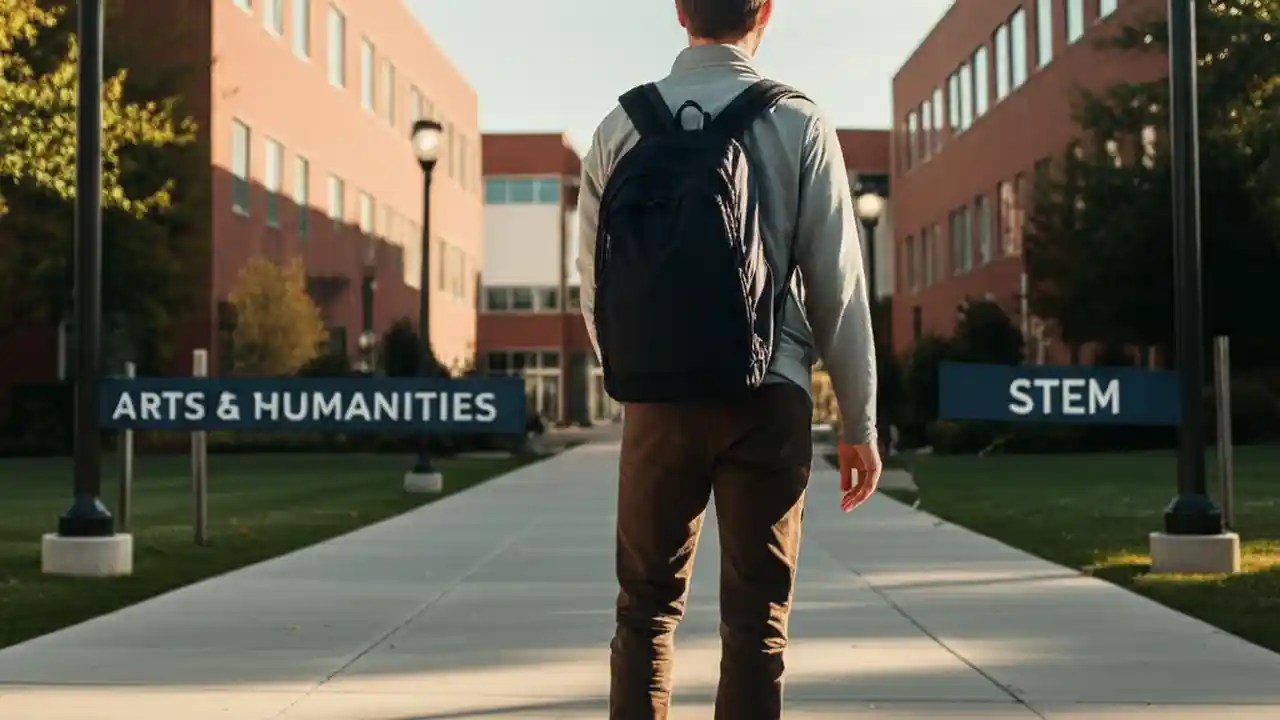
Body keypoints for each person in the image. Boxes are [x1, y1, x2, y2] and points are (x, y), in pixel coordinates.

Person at [576, 1, 881, 717]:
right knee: (755, 625)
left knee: (645, 612)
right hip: (768, 397)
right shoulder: (798, 121)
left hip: (658, 404)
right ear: (767, 11)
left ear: (679, 11)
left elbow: (595, 287)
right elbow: (838, 288)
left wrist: (638, 374)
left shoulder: (619, 126)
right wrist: (859, 421)